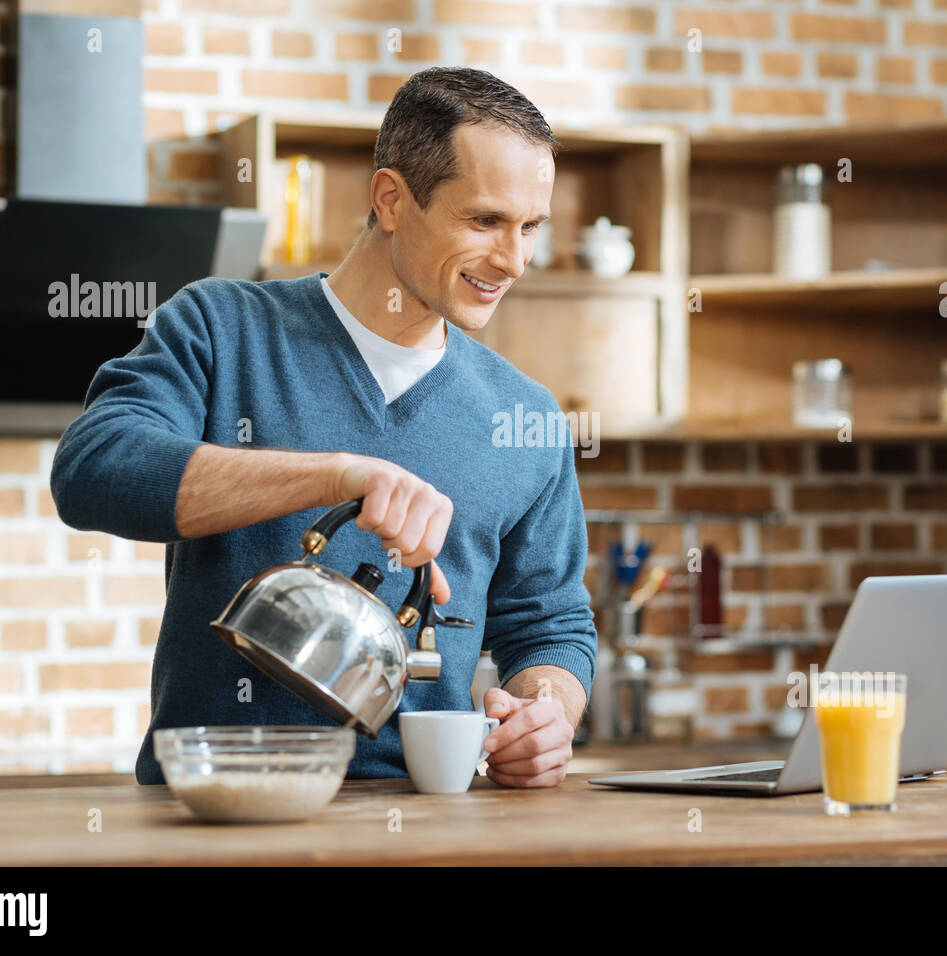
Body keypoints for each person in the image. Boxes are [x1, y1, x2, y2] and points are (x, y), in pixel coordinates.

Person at [50, 66, 597, 788]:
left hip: (426, 826)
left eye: (531, 227)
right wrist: (336, 475)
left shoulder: (526, 416)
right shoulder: (221, 329)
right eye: (486, 221)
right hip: (211, 817)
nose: (515, 259)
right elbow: (95, 470)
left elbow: (549, 624)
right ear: (392, 199)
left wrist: (546, 712)